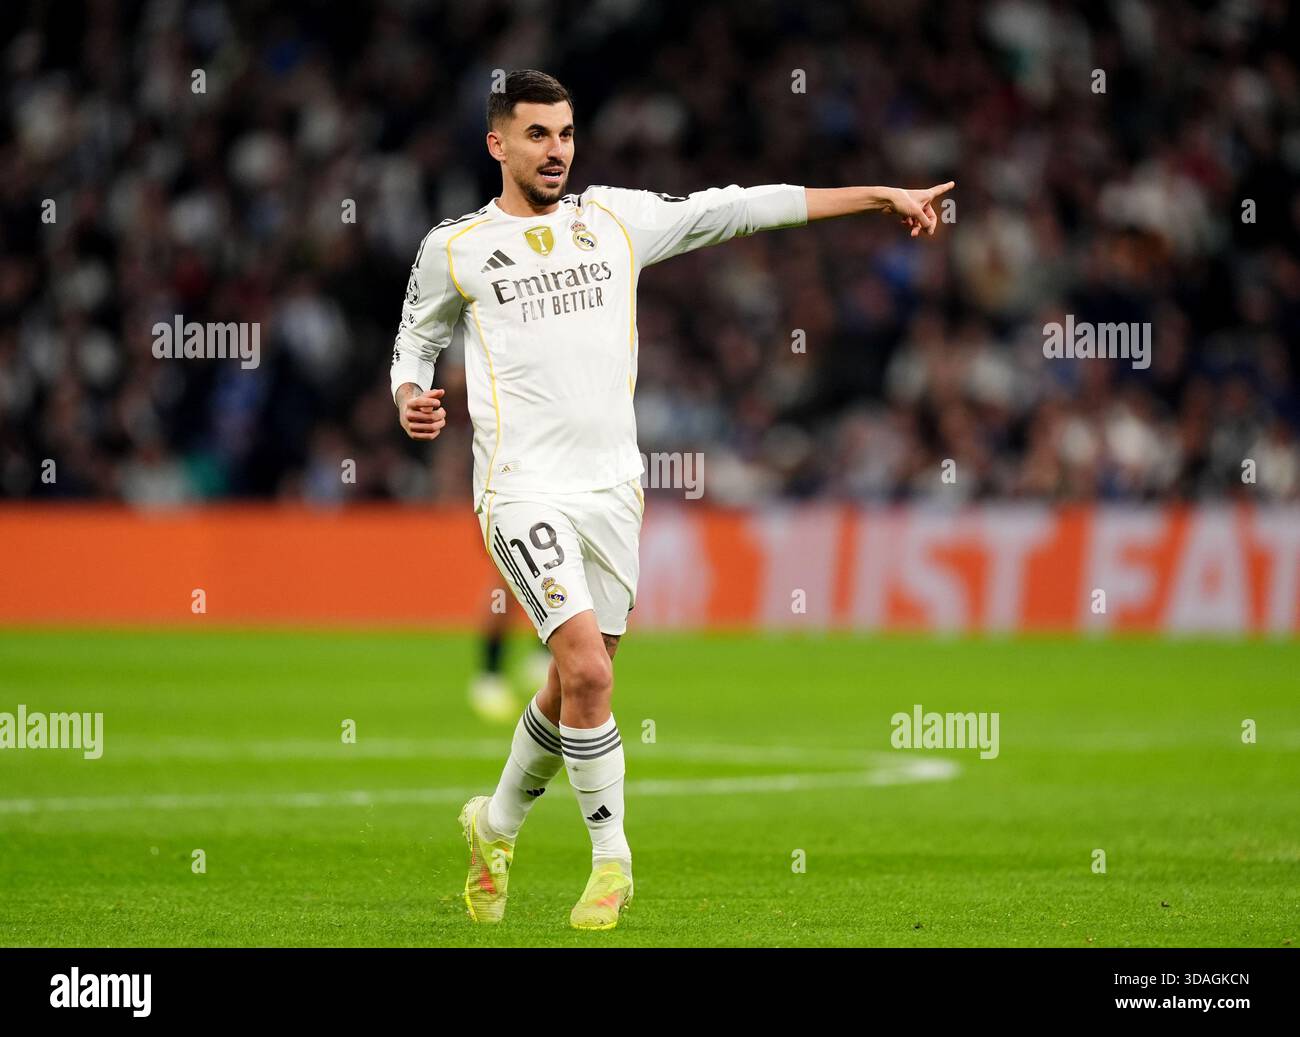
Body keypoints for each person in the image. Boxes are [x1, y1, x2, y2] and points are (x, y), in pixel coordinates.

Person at [391, 69, 954, 930]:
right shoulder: (456, 246)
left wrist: (877, 195)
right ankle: (612, 861)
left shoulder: (614, 219)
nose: (557, 151)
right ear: (497, 143)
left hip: (615, 489)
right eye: (538, 135)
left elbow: (740, 206)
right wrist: (410, 397)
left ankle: (494, 824)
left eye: (568, 133)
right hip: (519, 489)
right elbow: (415, 341)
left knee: (577, 683)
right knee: (588, 669)